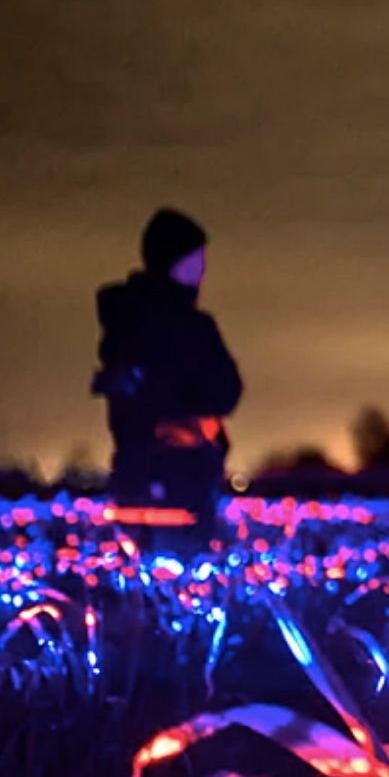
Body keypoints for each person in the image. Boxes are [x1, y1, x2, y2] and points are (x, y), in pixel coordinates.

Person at [93, 208, 243, 553]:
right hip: (184, 480)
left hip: (131, 474)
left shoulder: (123, 322)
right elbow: (225, 391)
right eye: (197, 259)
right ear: (175, 262)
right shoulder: (191, 328)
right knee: (184, 591)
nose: (203, 269)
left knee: (139, 589)